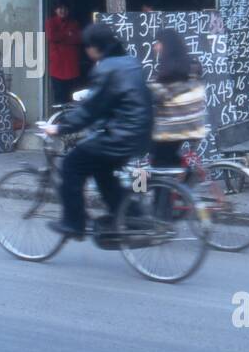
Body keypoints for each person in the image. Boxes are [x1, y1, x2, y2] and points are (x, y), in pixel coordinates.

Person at [42, 23, 152, 237]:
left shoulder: (106, 68)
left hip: (120, 136)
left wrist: (61, 127)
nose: (86, 51)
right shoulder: (130, 62)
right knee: (103, 173)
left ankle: (74, 222)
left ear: (95, 47)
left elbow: (90, 110)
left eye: (87, 47)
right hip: (139, 134)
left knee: (72, 165)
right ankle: (131, 216)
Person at [148, 28, 206, 170]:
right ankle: (181, 183)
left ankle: (141, 187)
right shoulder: (192, 65)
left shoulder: (169, 71)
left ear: (167, 45)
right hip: (193, 125)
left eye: (158, 43)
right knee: (168, 158)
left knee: (152, 160)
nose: (155, 47)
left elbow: (159, 96)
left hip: (172, 127)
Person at [44, 0, 83, 107]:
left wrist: (63, 36)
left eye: (65, 8)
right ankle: (59, 119)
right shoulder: (50, 22)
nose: (63, 11)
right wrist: (68, 34)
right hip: (57, 66)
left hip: (71, 65)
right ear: (55, 10)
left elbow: (78, 39)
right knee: (59, 97)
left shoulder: (74, 23)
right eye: (60, 8)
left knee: (72, 96)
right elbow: (52, 36)